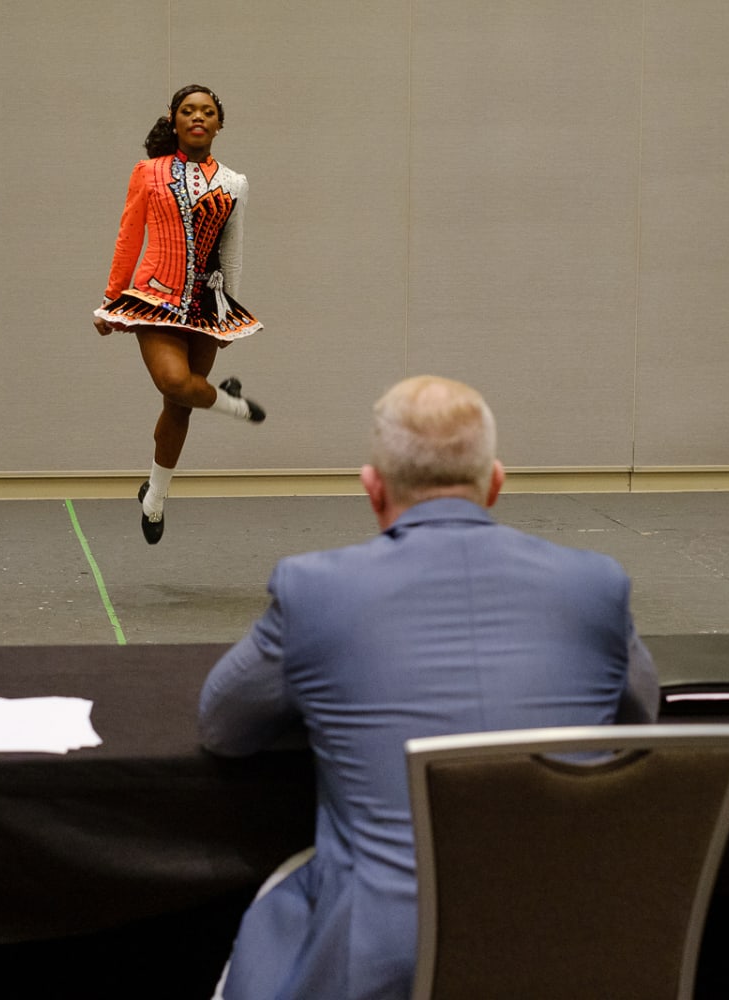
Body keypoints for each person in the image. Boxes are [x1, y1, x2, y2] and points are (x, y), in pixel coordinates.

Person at [198, 375, 661, 1000]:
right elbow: (641, 717)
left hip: (385, 971)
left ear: (373, 488)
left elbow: (223, 727)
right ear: (495, 483)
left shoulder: (314, 591)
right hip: (569, 957)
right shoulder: (596, 587)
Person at [94, 84, 265, 545]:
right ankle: (232, 403)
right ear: (173, 119)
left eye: (207, 112)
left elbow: (232, 249)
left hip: (207, 305)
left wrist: (230, 306)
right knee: (174, 382)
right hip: (154, 298)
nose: (198, 117)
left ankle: (155, 498)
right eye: (188, 110)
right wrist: (111, 300)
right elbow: (128, 238)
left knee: (179, 404)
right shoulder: (148, 173)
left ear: (219, 123)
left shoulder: (234, 182)